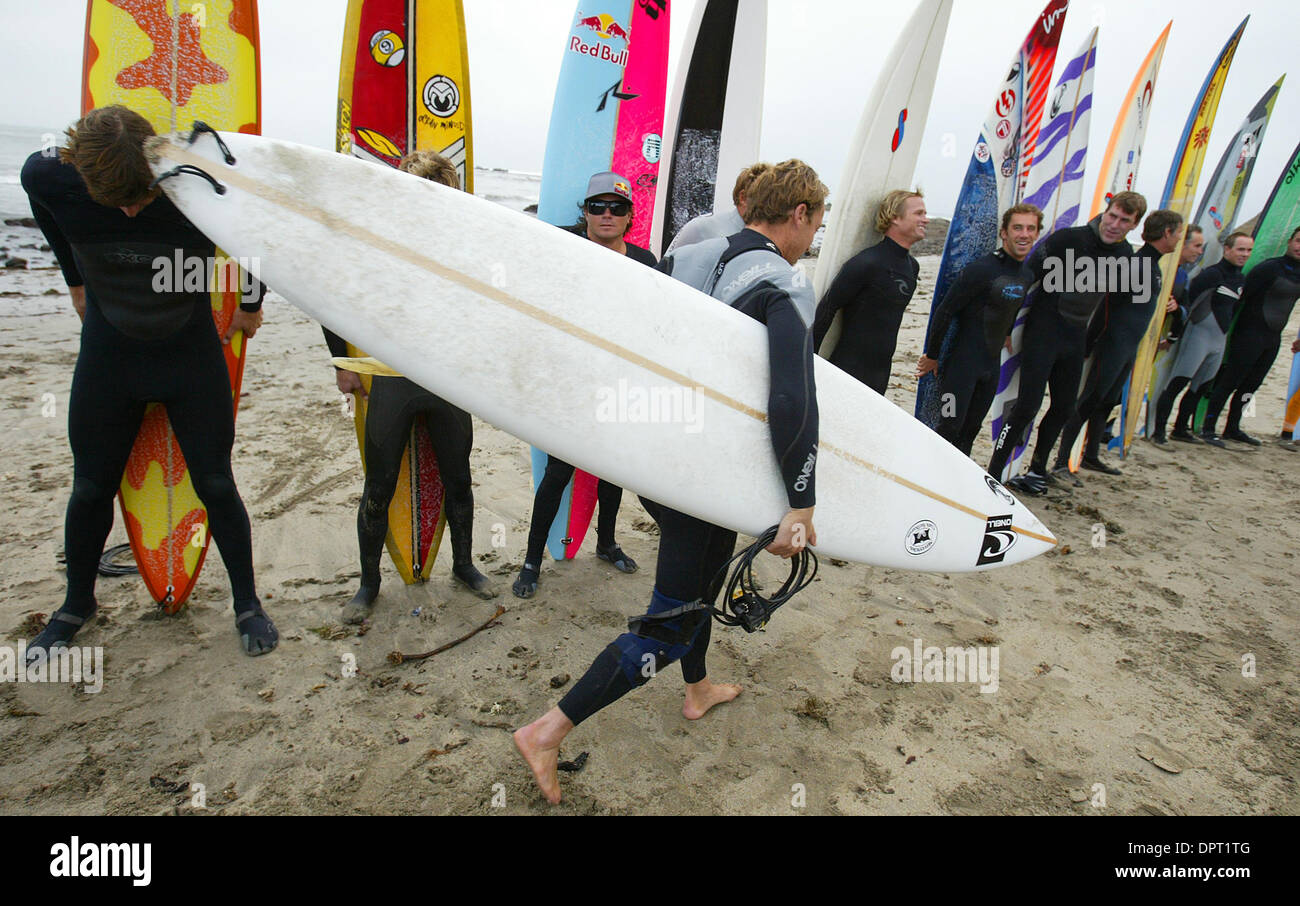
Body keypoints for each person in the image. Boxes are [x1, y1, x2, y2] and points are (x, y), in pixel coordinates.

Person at [513, 159, 825, 804]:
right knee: (672, 620)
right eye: (817, 220)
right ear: (798, 215)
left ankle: (698, 686)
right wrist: (801, 500)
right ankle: (548, 731)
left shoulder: (687, 254)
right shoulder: (783, 283)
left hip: (652, 454)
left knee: (708, 576)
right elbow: (793, 396)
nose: (816, 234)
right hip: (700, 469)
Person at [20, 105, 276, 658]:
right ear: (82, 176)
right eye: (118, 205)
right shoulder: (48, 178)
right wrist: (73, 280)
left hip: (189, 353)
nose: (133, 211)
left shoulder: (196, 183)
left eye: (142, 196)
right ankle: (76, 604)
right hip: (110, 357)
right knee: (90, 487)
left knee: (214, 482)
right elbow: (42, 208)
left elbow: (253, 223)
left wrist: (251, 300)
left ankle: (247, 603)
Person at [324, 151, 495, 623]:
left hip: (445, 379)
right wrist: (342, 363)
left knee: (458, 479)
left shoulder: (465, 244)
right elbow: (330, 294)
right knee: (378, 485)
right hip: (390, 376)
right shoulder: (371, 240)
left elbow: (486, 307)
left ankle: (463, 565)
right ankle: (368, 583)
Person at [512, 172, 658, 599]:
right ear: (585, 213)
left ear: (631, 214)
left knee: (613, 472)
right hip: (571, 383)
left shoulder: (646, 262)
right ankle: (531, 560)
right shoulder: (563, 245)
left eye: (616, 207)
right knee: (559, 472)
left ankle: (607, 542)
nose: (606, 214)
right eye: (597, 206)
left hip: (619, 381)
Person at [986, 191, 1146, 490]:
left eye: (1124, 220)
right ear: (1105, 210)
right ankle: (994, 472)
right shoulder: (1068, 240)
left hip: (1075, 337)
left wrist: (1092, 340)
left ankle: (1037, 469)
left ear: (1134, 225)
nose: (1114, 224)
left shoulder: (1125, 255)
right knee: (1027, 406)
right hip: (1043, 331)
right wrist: (1006, 325)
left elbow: (1106, 303)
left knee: (1064, 407)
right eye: (1112, 215)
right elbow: (1024, 277)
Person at [1050, 209, 1182, 478]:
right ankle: (1062, 461)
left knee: (1108, 401)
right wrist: (1090, 343)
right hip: (1113, 343)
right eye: (1178, 233)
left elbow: (1136, 307)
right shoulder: (1138, 264)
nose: (1179, 239)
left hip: (1128, 345)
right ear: (1166, 232)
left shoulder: (1152, 265)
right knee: (1089, 400)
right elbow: (1105, 304)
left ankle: (1091, 456)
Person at [916, 204, 1040, 456]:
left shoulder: (1027, 274)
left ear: (1037, 234)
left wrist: (1005, 333)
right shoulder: (982, 270)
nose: (1024, 234)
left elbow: (1011, 307)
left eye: (1030, 229)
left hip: (990, 368)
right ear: (1004, 233)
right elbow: (946, 310)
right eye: (1017, 228)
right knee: (948, 427)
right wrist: (932, 355)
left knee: (971, 429)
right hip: (961, 366)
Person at [812, 189, 927, 394]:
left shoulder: (912, 267)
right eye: (918, 214)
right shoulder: (867, 263)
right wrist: (809, 362)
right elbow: (827, 308)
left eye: (925, 214)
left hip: (881, 374)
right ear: (894, 218)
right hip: (848, 370)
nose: (925, 220)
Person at [1200, 226, 1300, 447]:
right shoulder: (1269, 268)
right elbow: (1240, 299)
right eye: (1298, 241)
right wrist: (1225, 331)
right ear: (1289, 242)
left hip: (1273, 338)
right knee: (1230, 382)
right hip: (1249, 333)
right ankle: (1208, 427)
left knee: (1252, 385)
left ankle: (1232, 427)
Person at [1150, 230, 1251, 445]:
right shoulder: (1211, 274)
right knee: (1178, 383)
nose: (1245, 254)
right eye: (1240, 249)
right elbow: (1188, 303)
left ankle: (1179, 429)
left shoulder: (1241, 278)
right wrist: (1176, 334)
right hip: (1198, 336)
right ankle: (1158, 432)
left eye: (1249, 250)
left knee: (1201, 386)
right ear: (1227, 249)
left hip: (1218, 340)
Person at [663, 162, 770, 254]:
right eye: (765, 199)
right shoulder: (701, 227)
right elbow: (665, 271)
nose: (770, 207)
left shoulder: (770, 237)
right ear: (743, 197)